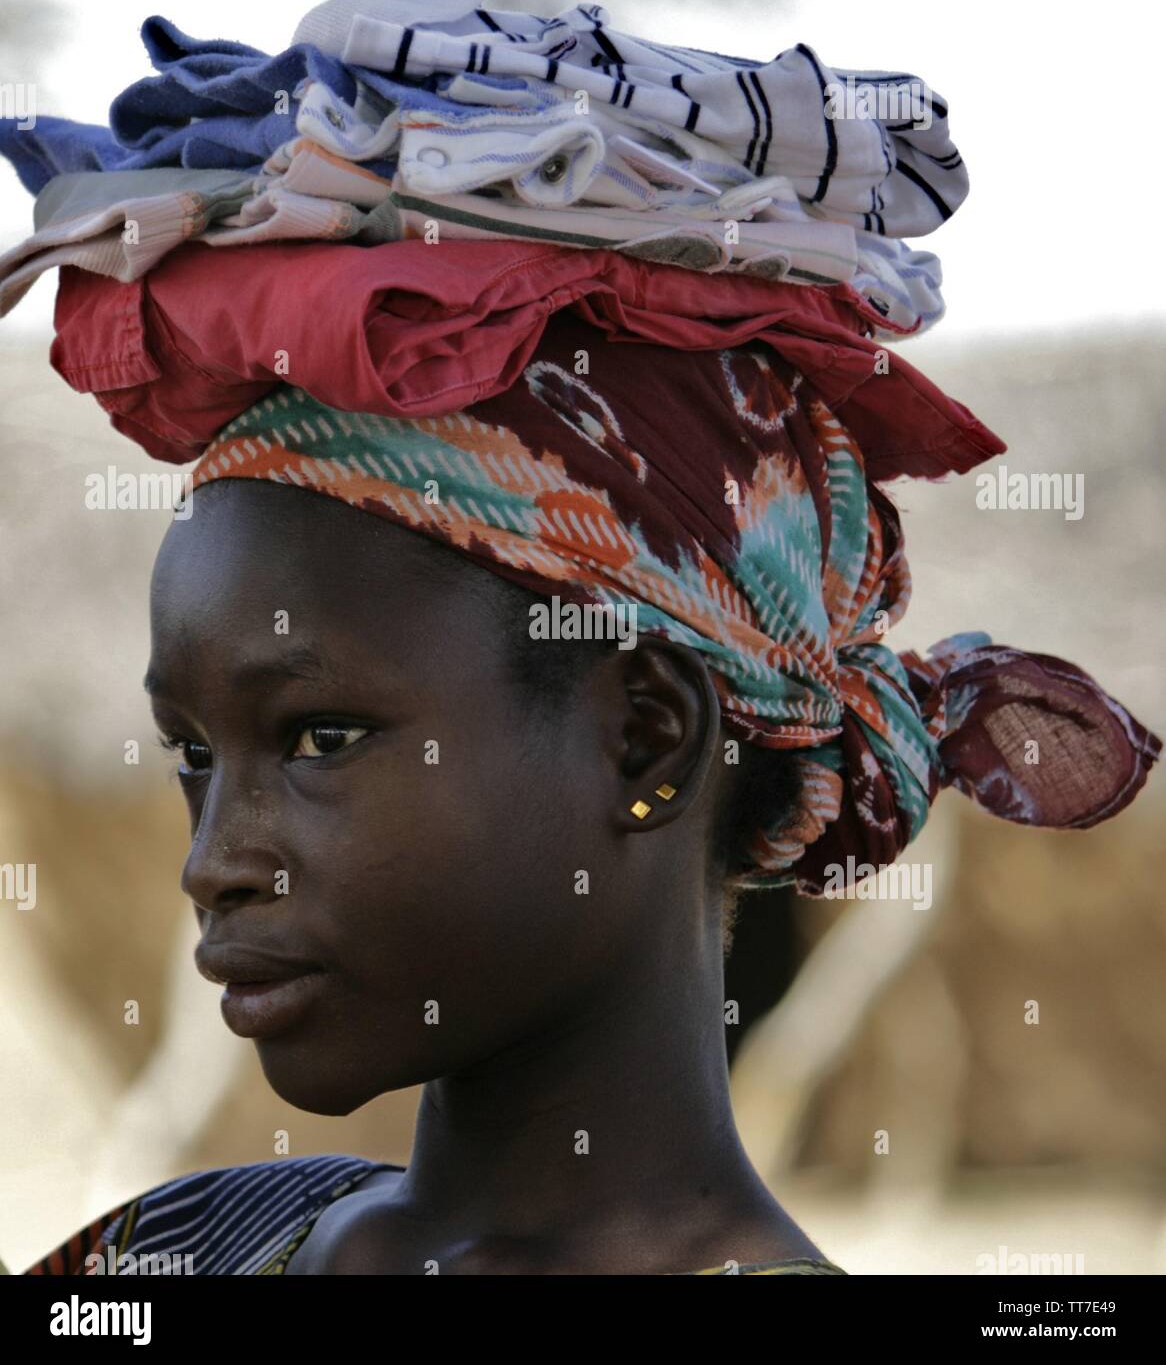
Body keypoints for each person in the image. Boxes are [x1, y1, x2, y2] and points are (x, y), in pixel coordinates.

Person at [22, 307, 1159, 1276]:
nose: (214, 862)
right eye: (192, 751)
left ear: (644, 741)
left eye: (319, 736)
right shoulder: (178, 1248)